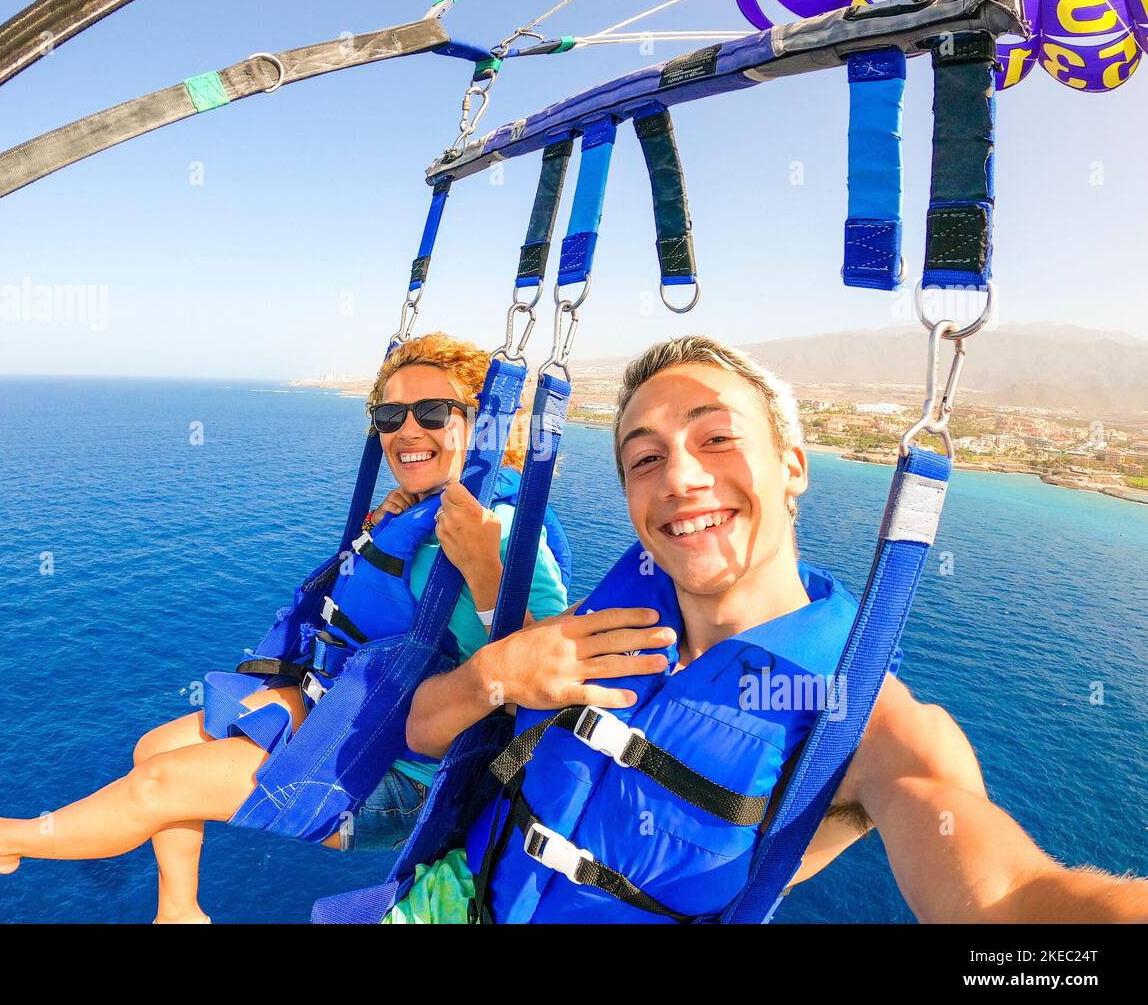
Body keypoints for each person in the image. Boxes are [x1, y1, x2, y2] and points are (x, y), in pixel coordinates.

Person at [387, 334, 1148, 924]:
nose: (680, 477)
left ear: (792, 466)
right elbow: (420, 731)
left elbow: (1011, 895)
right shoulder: (589, 630)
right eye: (645, 457)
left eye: (715, 437)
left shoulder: (871, 729)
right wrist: (495, 672)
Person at [0, 332, 569, 923]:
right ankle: (180, 911)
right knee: (151, 749)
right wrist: (401, 513)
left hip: (400, 773)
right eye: (390, 416)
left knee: (158, 788)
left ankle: (3, 841)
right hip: (348, 711)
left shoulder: (505, 530)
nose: (406, 430)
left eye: (432, 413)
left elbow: (558, 679)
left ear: (478, 423)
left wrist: (486, 571)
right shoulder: (420, 509)